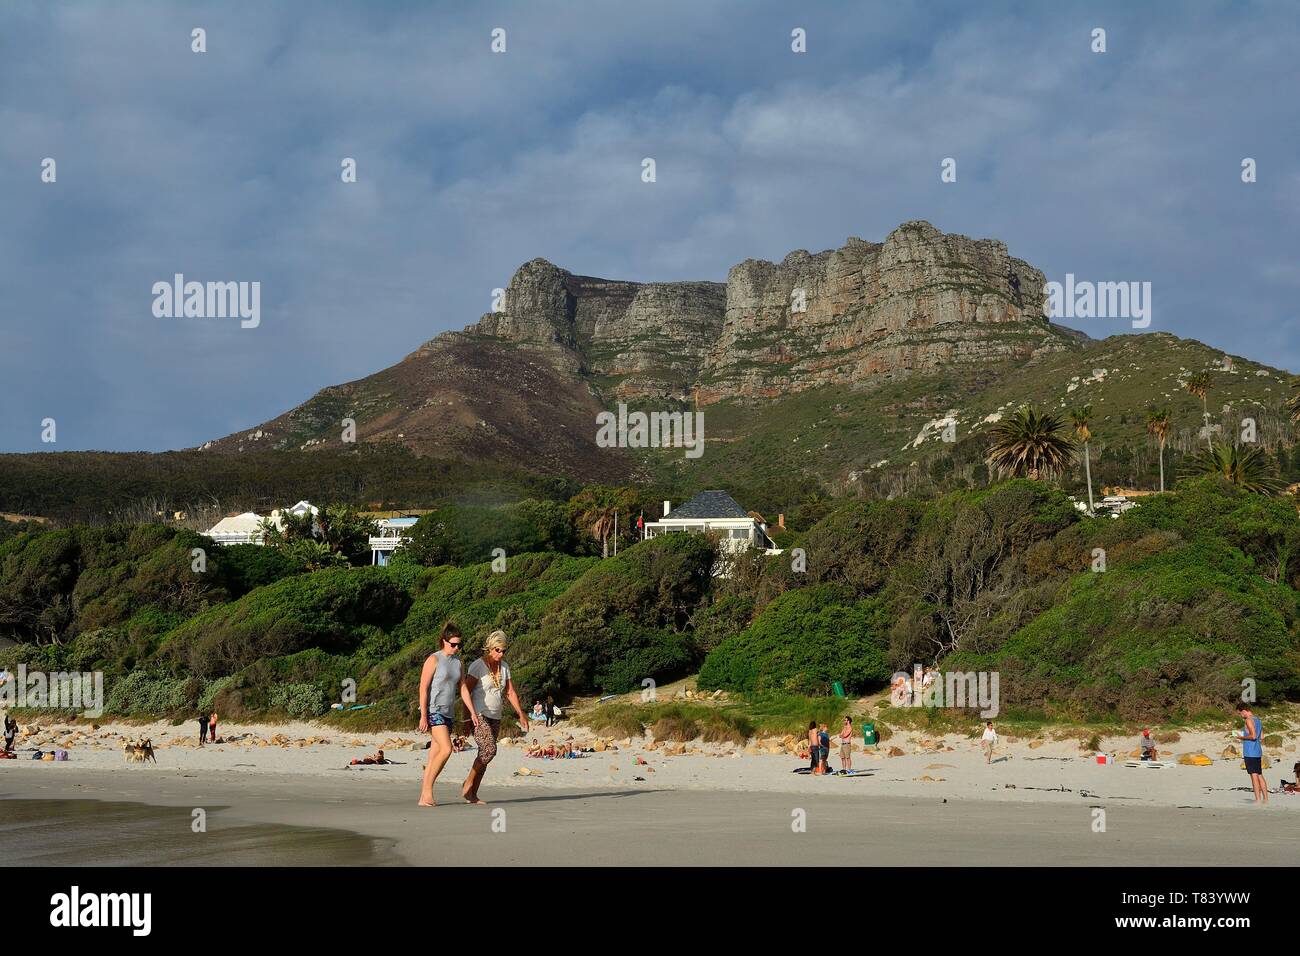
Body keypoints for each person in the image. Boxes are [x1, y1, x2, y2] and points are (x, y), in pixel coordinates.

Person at [460, 630, 529, 805]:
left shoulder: (504, 667)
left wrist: (521, 714)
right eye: (497, 650)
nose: (500, 654)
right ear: (489, 648)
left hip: (495, 716)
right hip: (479, 715)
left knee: (485, 754)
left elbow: (510, 692)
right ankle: (468, 783)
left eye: (503, 651)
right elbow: (465, 692)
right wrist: (466, 719)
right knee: (489, 750)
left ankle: (472, 794)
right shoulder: (477, 666)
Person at [417, 622, 464, 807]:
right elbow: (423, 688)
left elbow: (463, 689)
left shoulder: (458, 663)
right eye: (453, 644)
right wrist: (423, 715)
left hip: (448, 713)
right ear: (444, 641)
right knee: (447, 749)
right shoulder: (434, 659)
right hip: (434, 711)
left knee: (434, 755)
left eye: (459, 645)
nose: (456, 648)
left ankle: (424, 797)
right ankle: (427, 792)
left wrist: (471, 713)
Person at [1235, 702, 1267, 804]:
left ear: (1243, 711)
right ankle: (1265, 799)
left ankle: (1257, 799)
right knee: (1259, 775)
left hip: (1250, 752)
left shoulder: (1248, 720)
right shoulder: (1257, 720)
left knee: (1253, 776)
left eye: (1240, 714)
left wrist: (1241, 737)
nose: (1241, 716)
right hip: (1257, 750)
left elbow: (1253, 736)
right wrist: (1246, 734)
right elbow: (1261, 737)